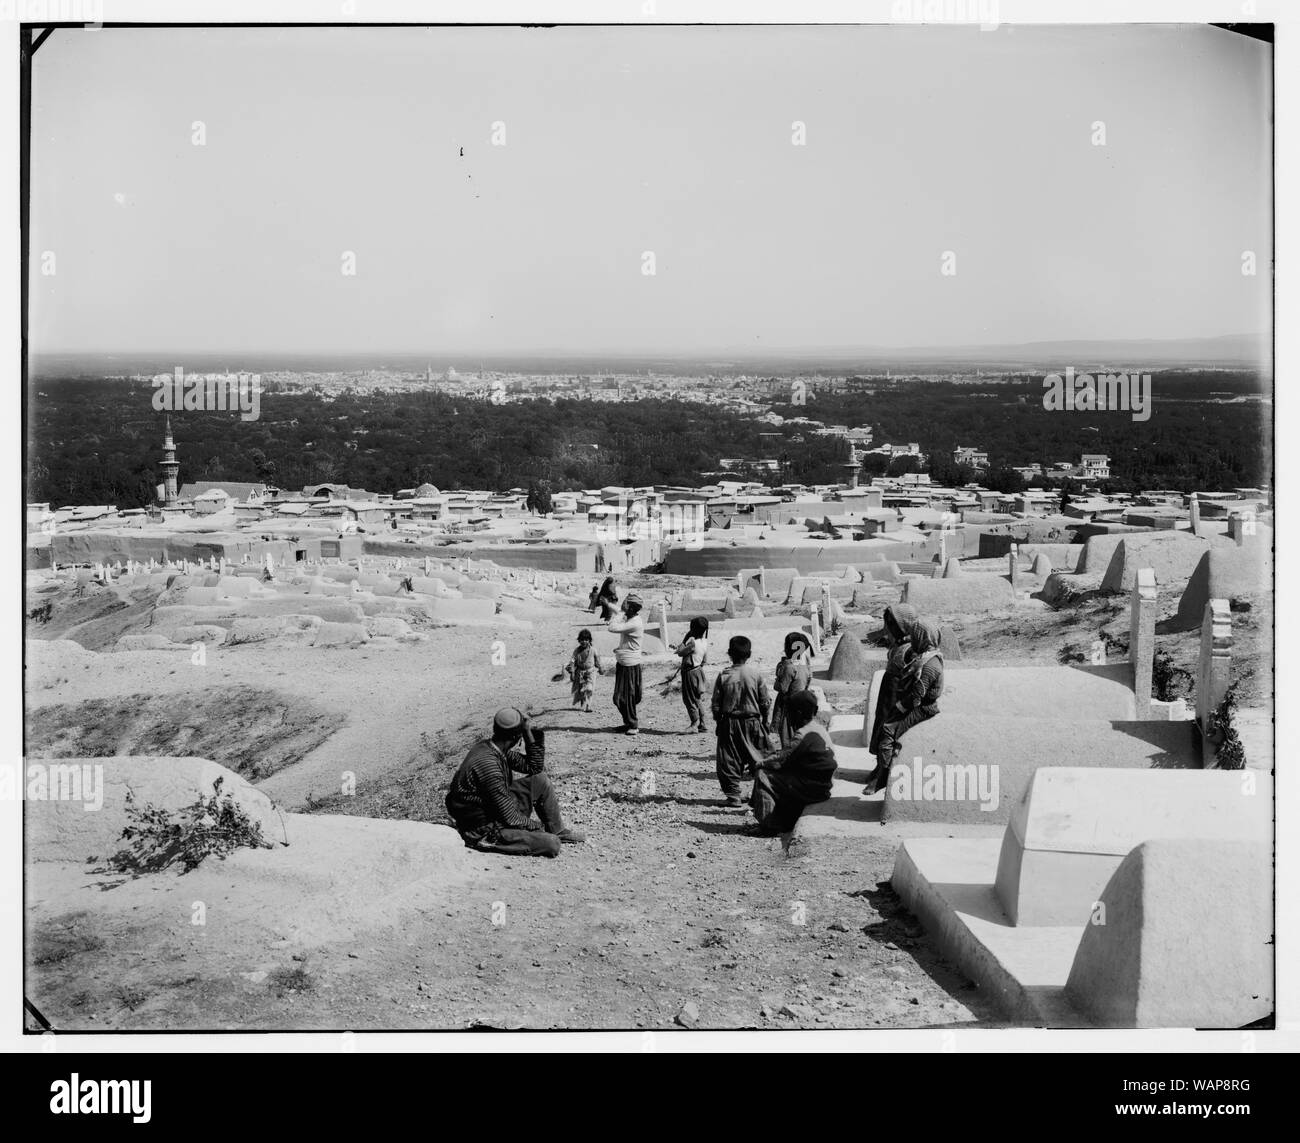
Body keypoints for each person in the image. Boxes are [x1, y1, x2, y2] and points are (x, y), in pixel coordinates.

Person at [444, 708, 585, 857]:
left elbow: (533, 767)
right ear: (516, 737)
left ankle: (557, 829)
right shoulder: (489, 765)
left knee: (540, 780)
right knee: (551, 843)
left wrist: (527, 731)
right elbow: (510, 817)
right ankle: (488, 842)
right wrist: (538, 828)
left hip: (494, 810)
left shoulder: (494, 747)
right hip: (482, 828)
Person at [867, 618, 945, 795]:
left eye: (915, 636)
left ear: (921, 638)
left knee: (888, 730)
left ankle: (884, 776)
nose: (913, 640)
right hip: (918, 703)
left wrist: (900, 707)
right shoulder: (925, 657)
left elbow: (917, 695)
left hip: (924, 707)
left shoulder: (930, 664)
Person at [749, 690, 837, 835]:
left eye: (788, 713)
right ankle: (785, 819)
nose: (787, 717)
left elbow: (781, 760)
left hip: (814, 788)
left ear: (798, 713)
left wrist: (760, 763)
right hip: (823, 784)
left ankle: (768, 826)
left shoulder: (802, 734)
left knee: (763, 775)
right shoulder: (818, 728)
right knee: (783, 776)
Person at [711, 635, 773, 807]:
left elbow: (716, 704)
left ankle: (733, 796)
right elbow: (765, 702)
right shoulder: (756, 675)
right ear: (749, 654)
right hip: (753, 722)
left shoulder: (724, 676)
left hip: (729, 722)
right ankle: (761, 794)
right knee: (762, 757)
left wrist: (718, 722)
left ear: (729, 654)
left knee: (729, 760)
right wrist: (766, 721)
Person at [867, 603, 919, 762]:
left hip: (898, 695)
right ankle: (879, 766)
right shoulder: (899, 644)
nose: (888, 629)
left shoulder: (911, 648)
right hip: (888, 693)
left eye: (892, 624)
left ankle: (884, 771)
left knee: (890, 733)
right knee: (881, 727)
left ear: (903, 625)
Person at [607, 591, 644, 735]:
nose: (623, 604)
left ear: (631, 607)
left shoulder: (634, 622)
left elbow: (612, 627)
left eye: (626, 603)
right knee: (620, 698)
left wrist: (620, 611)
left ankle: (633, 724)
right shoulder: (631, 619)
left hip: (630, 665)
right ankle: (628, 722)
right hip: (624, 663)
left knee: (626, 697)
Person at [771, 631, 813, 746]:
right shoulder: (804, 666)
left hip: (789, 708)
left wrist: (779, 672)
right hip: (802, 705)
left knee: (787, 737)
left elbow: (781, 688)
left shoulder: (789, 667)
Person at [673, 617, 711, 733]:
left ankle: (694, 723)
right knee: (697, 698)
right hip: (699, 671)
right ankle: (702, 723)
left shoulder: (692, 643)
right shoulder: (705, 642)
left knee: (689, 699)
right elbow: (704, 660)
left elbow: (680, 653)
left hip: (690, 673)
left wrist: (685, 638)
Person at [564, 628, 604, 712]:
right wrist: (572, 671)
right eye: (582, 640)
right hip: (580, 673)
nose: (584, 641)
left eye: (586, 640)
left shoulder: (593, 650)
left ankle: (588, 706)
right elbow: (572, 661)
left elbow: (597, 660)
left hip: (590, 672)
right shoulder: (577, 651)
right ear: (579, 640)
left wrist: (600, 668)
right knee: (581, 690)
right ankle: (583, 703)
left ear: (589, 640)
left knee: (589, 688)